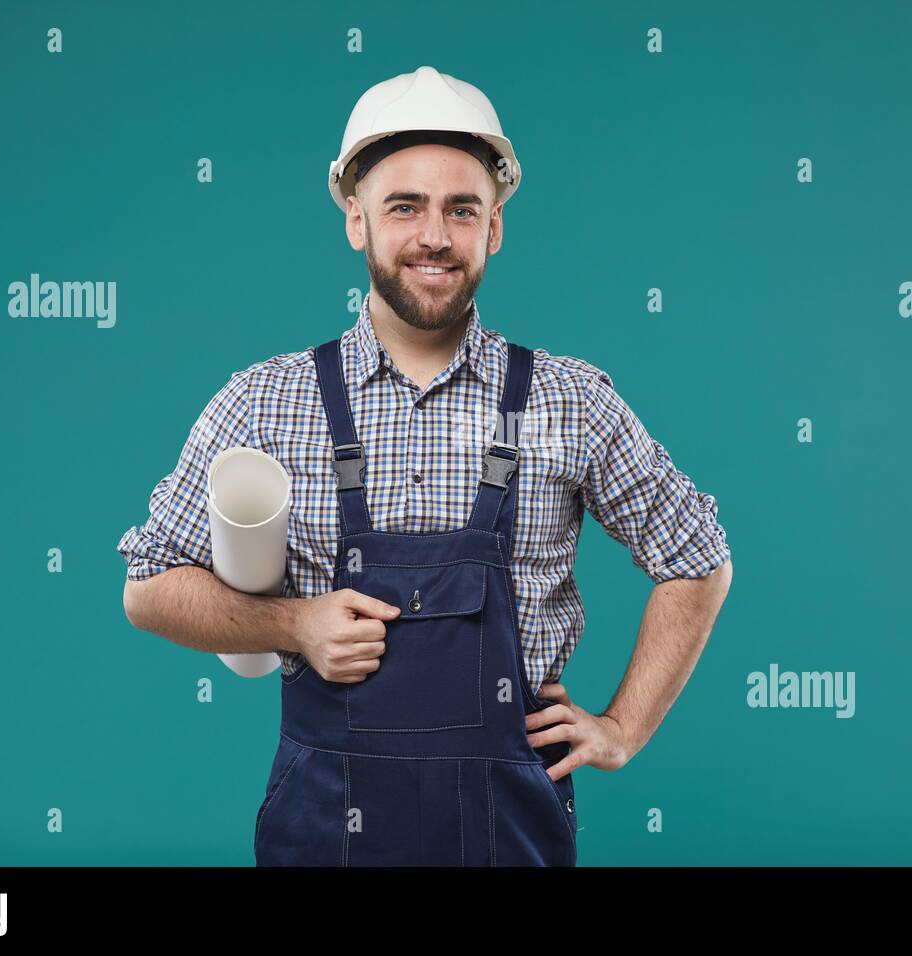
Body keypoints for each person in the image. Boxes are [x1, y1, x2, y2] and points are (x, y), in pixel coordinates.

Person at [117, 65, 733, 867]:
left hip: (507, 831)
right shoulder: (263, 402)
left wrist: (623, 728)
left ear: (495, 227)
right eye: (403, 206)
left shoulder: (570, 399)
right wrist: (292, 624)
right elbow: (149, 585)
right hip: (322, 827)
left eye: (461, 209)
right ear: (356, 220)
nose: (434, 235)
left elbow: (696, 558)